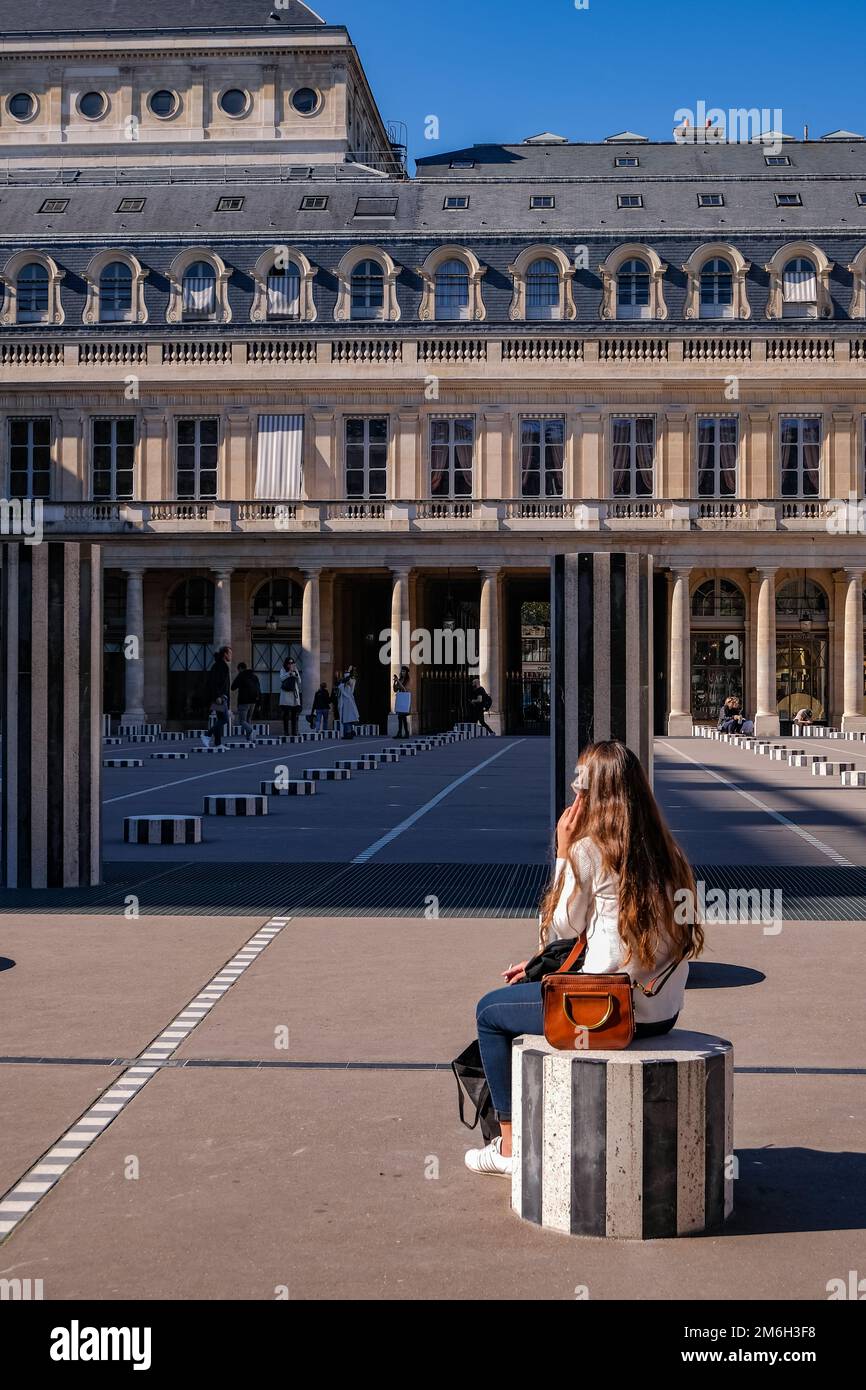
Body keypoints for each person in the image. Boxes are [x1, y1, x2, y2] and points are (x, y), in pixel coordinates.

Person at [464, 740, 704, 1178]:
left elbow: (559, 926)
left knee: (489, 1013)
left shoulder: (589, 850)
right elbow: (609, 935)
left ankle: (510, 1146)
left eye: (580, 787)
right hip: (662, 1013)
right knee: (521, 994)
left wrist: (561, 851)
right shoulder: (671, 852)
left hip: (605, 1015)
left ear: (595, 794)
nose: (574, 798)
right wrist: (542, 968)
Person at [231, 661, 261, 740]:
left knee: (242, 721)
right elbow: (259, 689)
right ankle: (249, 738)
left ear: (240, 668)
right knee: (248, 719)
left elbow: (233, 687)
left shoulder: (241, 675)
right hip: (253, 702)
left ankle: (251, 731)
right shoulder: (254, 676)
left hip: (243, 702)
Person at [279, 657, 302, 737]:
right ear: (286, 663)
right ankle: (286, 731)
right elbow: (281, 678)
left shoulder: (295, 669)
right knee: (286, 714)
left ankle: (294, 731)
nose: (290, 664)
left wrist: (295, 674)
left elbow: (299, 681)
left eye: (292, 663)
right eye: (289, 663)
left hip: (294, 695)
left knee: (294, 714)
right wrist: (289, 673)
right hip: (286, 694)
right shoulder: (283, 669)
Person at [337, 666, 360, 739]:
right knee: (348, 719)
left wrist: (348, 674)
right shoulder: (348, 685)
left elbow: (341, 688)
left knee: (347, 719)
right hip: (348, 703)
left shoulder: (345, 686)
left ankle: (348, 733)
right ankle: (349, 732)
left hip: (347, 704)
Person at [393, 665, 412, 738]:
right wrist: (395, 682)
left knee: (402, 716)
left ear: (406, 672)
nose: (402, 672)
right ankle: (404, 733)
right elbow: (395, 690)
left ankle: (401, 733)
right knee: (401, 717)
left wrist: (398, 681)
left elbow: (405, 689)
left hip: (405, 699)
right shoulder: (400, 679)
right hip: (400, 699)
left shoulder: (408, 680)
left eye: (404, 671)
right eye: (402, 671)